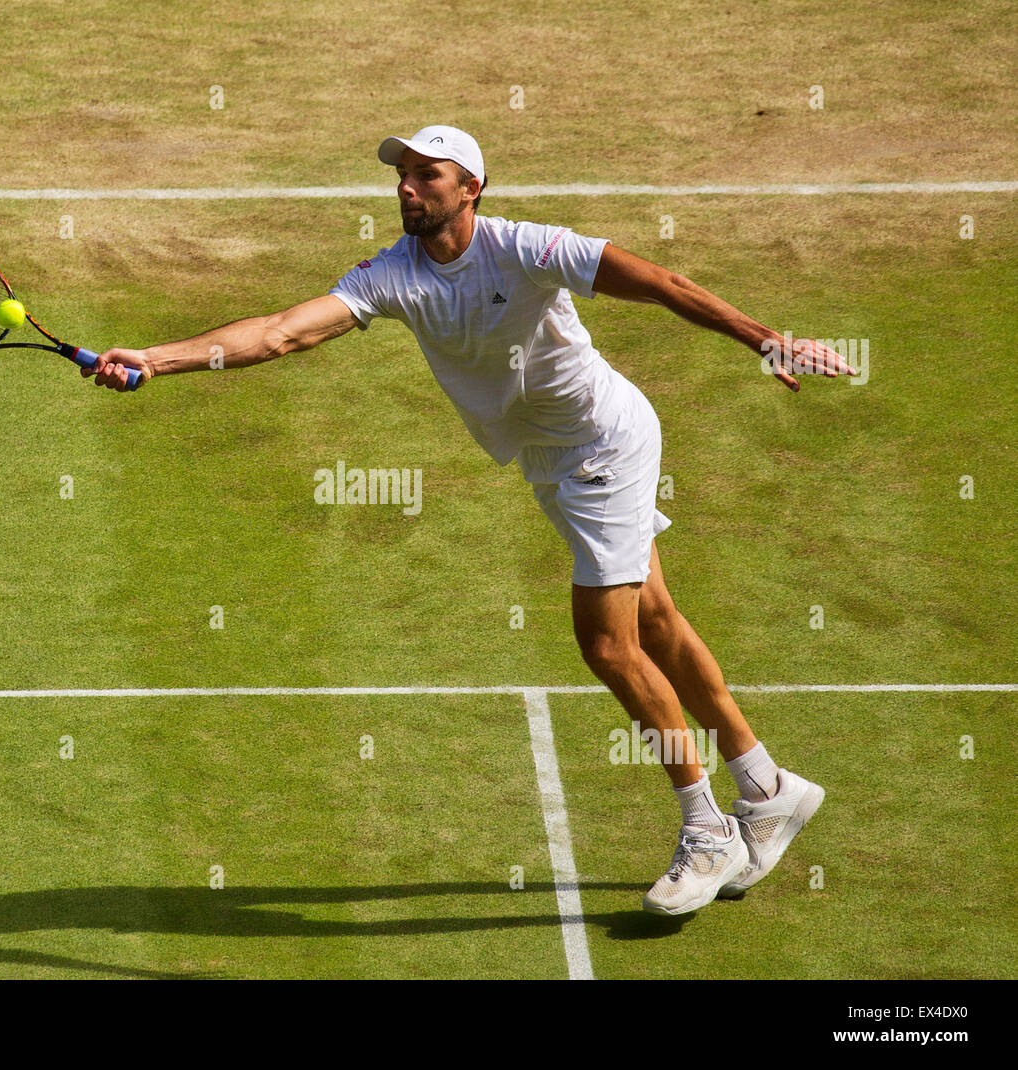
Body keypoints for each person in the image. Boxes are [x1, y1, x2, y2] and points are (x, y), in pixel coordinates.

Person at [85, 124, 853, 916]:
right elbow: (282, 333)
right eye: (402, 175)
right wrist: (157, 356)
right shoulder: (391, 274)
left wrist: (766, 340)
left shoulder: (527, 247)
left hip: (604, 446)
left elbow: (661, 280)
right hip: (551, 459)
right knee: (655, 623)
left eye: (427, 175)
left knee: (607, 645)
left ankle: (708, 829)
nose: (406, 188)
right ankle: (766, 787)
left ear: (471, 188)